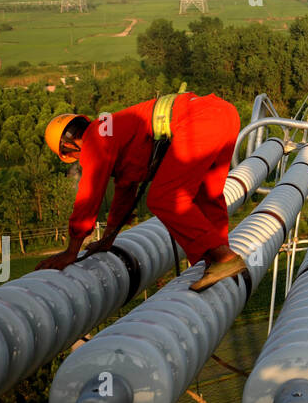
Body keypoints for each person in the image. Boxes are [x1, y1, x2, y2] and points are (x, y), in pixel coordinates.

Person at [36, 92, 245, 293]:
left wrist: (72, 251)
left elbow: (88, 195)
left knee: (165, 198)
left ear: (68, 145)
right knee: (206, 194)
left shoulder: (95, 140)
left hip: (199, 120)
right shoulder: (109, 129)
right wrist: (108, 238)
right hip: (223, 113)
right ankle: (218, 262)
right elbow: (125, 190)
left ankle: (223, 257)